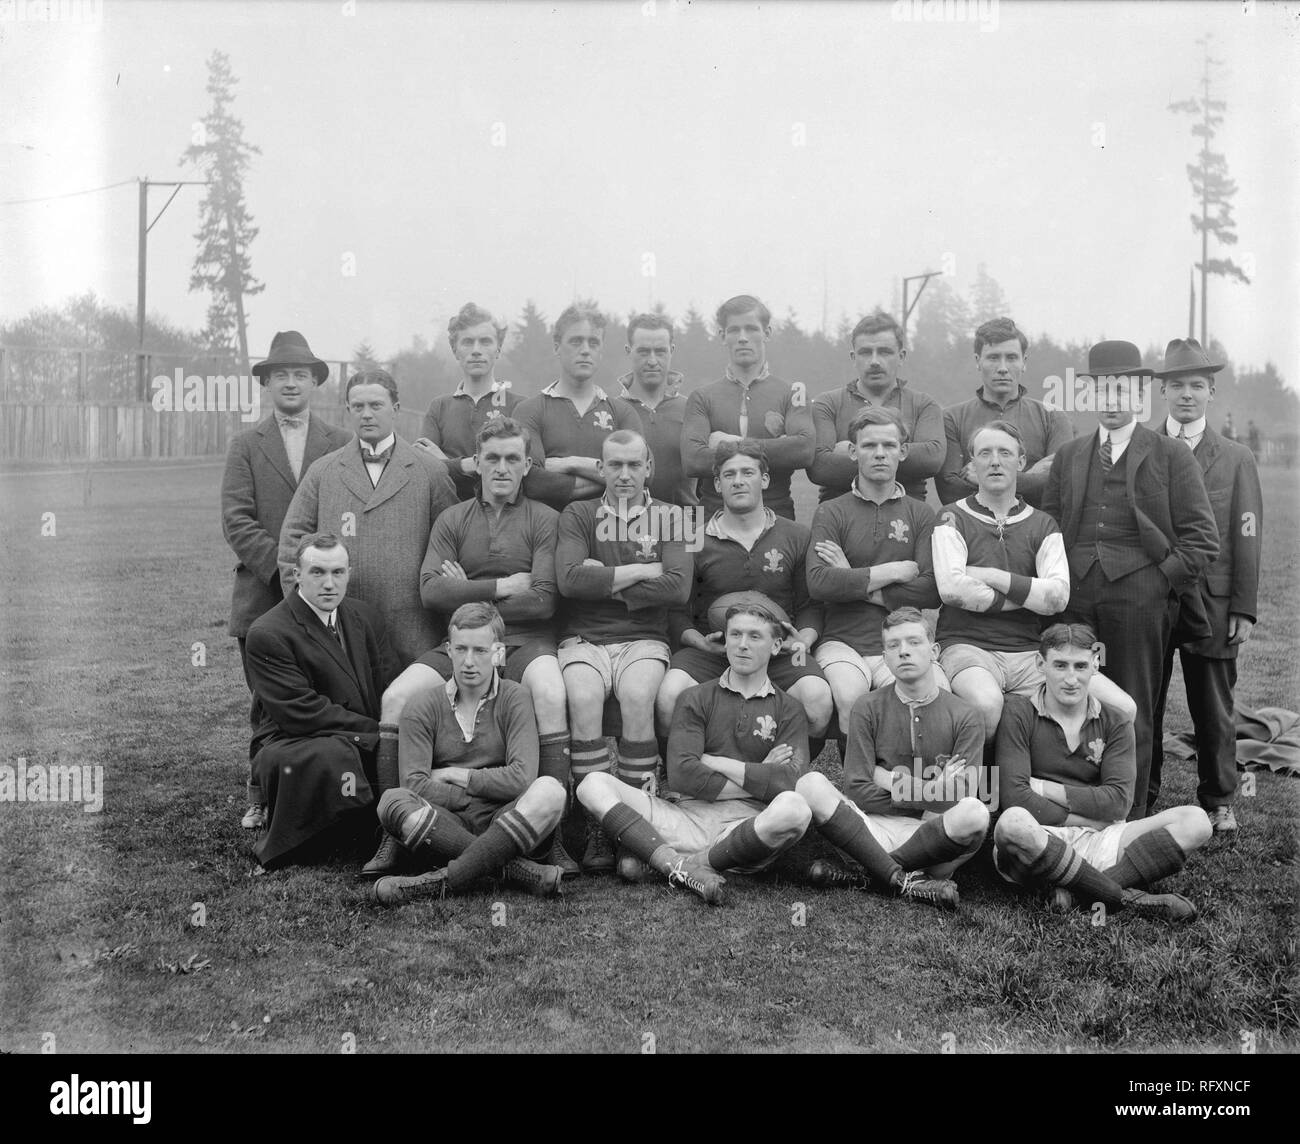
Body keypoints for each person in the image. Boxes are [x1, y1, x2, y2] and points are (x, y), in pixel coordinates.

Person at [361, 418, 572, 879]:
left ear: (527, 465)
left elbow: (542, 601)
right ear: (475, 463)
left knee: (551, 692)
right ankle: (393, 834)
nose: (501, 467)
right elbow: (431, 593)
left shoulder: (544, 519)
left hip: (523, 642)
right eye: (491, 458)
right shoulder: (453, 518)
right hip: (457, 644)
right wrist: (500, 585)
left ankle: (553, 838)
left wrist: (467, 590)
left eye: (512, 458)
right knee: (396, 697)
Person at [1043, 341, 1219, 819]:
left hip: (1140, 601)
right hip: (1074, 600)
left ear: (1141, 394)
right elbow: (1050, 527)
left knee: (1131, 707)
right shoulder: (1071, 455)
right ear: (1091, 396)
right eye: (1103, 389)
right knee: (1069, 700)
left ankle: (1130, 814)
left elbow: (1203, 539)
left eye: (1123, 389)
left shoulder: (1169, 455)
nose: (1114, 400)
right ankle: (1073, 809)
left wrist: (1157, 584)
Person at [577, 603, 813, 904]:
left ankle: (693, 864)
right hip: (686, 818)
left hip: (746, 828)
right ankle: (675, 865)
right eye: (735, 634)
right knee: (592, 784)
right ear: (725, 640)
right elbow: (682, 774)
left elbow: (789, 781)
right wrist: (758, 773)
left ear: (777, 644)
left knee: (795, 808)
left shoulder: (789, 708)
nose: (742, 645)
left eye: (755, 636)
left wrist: (714, 762)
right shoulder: (695, 697)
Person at [932, 419, 1135, 743]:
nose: (995, 461)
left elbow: (1057, 597)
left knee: (1122, 707)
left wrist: (991, 575)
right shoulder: (950, 517)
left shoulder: (1043, 523)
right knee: (986, 703)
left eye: (1004, 453)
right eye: (985, 453)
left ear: (1021, 462)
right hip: (967, 645)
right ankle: (981, 791)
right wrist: (1026, 594)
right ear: (972, 464)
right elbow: (954, 590)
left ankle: (1107, 790)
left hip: (1030, 651)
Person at [994, 623, 1211, 922]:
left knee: (1196, 821)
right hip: (1042, 836)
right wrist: (1092, 817)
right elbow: (1015, 798)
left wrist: (1043, 788)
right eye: (1060, 665)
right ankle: (1119, 896)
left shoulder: (1117, 720)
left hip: (1102, 836)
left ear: (1095, 664)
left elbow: (1119, 802)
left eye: (1081, 666)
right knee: (1012, 824)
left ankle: (1076, 890)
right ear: (1040, 664)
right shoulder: (1018, 712)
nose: (1071, 678)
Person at [222, 330, 351, 829]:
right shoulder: (246, 446)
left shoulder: (338, 443)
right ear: (267, 384)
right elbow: (237, 520)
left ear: (315, 382)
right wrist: (285, 572)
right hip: (265, 596)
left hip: (324, 595)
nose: (291, 383)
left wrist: (319, 576)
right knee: (268, 702)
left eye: (300, 374)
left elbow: (344, 515)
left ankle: (324, 788)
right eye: (282, 376)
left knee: (324, 696)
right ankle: (261, 792)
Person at [555, 430, 692, 870]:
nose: (625, 474)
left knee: (637, 696)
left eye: (634, 464)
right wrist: (640, 570)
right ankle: (597, 824)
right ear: (600, 468)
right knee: (582, 697)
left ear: (649, 467)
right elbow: (570, 581)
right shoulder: (578, 513)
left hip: (643, 638)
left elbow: (678, 587)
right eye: (615, 465)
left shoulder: (672, 516)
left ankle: (635, 823)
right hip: (585, 637)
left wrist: (606, 579)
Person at [369, 604, 567, 906]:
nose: (469, 662)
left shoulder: (514, 698)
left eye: (480, 650)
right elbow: (414, 785)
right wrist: (475, 795)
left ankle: (435, 883)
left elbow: (522, 778)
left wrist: (454, 776)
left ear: (498, 652)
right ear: (448, 650)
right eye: (461, 649)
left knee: (551, 791)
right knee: (392, 801)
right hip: (445, 823)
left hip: (504, 818)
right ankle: (515, 870)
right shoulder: (422, 705)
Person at [795, 608, 989, 910]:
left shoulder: (966, 715)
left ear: (934, 651)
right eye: (894, 645)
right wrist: (931, 790)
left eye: (914, 642)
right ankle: (905, 880)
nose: (904, 652)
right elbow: (858, 790)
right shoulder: (866, 707)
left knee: (975, 812)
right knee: (810, 784)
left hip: (931, 834)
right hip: (872, 829)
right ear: (884, 656)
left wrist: (889, 778)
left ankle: (867, 874)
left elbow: (961, 795)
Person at [1151, 338, 1262, 831]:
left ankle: (1219, 801)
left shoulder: (1236, 457)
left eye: (1197, 385)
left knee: (1213, 705)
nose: (1187, 395)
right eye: (1177, 385)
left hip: (1214, 602)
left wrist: (1242, 605)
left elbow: (1248, 534)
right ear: (1163, 392)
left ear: (1211, 392)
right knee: (1142, 701)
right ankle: (1140, 794)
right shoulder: (1142, 447)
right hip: (1152, 598)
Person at [657, 439, 832, 751]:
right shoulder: (693, 541)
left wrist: (800, 642)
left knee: (817, 700)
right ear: (717, 484)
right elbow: (676, 611)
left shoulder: (796, 535)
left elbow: (811, 605)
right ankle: (692, 769)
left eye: (747, 473)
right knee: (670, 697)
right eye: (729, 475)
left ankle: (787, 769)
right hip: (713, 650)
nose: (738, 481)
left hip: (779, 650)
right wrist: (701, 642)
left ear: (764, 479)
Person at [279, 368, 458, 667]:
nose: (366, 415)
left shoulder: (431, 472)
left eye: (376, 406)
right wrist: (309, 610)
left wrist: (449, 618)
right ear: (348, 410)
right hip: (341, 629)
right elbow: (290, 547)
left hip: (415, 629)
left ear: (396, 409)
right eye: (358, 407)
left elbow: (452, 548)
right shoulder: (323, 472)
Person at [245, 533, 398, 869]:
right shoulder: (268, 631)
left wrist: (397, 729)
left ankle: (384, 828)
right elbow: (301, 711)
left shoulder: (365, 617)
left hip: (358, 730)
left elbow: (388, 684)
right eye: (317, 572)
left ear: (349, 573)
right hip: (293, 736)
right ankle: (342, 833)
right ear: (297, 574)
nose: (329, 584)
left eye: (338, 573)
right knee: (335, 756)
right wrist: (377, 733)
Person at [807, 407, 943, 742]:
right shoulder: (830, 511)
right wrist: (892, 571)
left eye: (888, 445)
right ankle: (860, 791)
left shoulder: (923, 514)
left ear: (903, 451)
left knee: (932, 696)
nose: (879, 454)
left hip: (904, 639)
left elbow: (930, 590)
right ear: (853, 452)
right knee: (852, 698)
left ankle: (916, 789)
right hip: (843, 641)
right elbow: (820, 582)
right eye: (868, 446)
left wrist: (852, 577)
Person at [682, 294, 814, 521]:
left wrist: (728, 443)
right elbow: (693, 461)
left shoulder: (793, 393)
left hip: (776, 519)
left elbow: (803, 451)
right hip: (713, 520)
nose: (743, 338)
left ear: (767, 333)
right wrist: (777, 448)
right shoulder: (702, 397)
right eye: (734, 330)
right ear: (723, 336)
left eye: (751, 328)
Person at [515, 303, 644, 512]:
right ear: (557, 346)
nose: (585, 350)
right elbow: (533, 481)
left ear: (601, 349)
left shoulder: (622, 412)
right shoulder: (530, 410)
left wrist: (570, 463)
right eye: (576, 341)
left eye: (593, 342)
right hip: (549, 533)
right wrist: (614, 476)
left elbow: (646, 475)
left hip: (608, 533)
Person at [937, 316, 1073, 509]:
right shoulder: (951, 418)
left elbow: (1060, 487)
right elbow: (950, 491)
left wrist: (984, 475)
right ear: (978, 361)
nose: (1002, 368)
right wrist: (1031, 476)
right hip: (971, 532)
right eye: (993, 357)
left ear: (1024, 362)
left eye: (1011, 358)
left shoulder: (1052, 417)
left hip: (1035, 533)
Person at [809, 310, 944, 503]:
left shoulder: (924, 405)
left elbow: (931, 460)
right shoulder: (827, 404)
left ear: (902, 356)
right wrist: (901, 453)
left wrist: (854, 453)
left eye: (884, 352)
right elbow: (820, 468)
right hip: (840, 521)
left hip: (908, 519)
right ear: (853, 357)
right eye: (865, 352)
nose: (874, 361)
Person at [414, 302, 521, 502]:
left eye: (485, 342)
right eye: (468, 342)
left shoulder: (519, 406)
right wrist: (477, 465)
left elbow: (517, 473)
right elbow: (424, 470)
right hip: (449, 517)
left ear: (498, 349)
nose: (476, 350)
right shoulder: (439, 407)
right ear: (455, 350)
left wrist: (447, 463)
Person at [617, 312, 696, 506]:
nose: (652, 361)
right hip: (623, 526)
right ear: (628, 351)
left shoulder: (693, 409)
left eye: (660, 351)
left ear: (672, 350)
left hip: (684, 526)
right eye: (643, 352)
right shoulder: (610, 410)